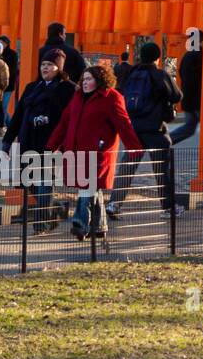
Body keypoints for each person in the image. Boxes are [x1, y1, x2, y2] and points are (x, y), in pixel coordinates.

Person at [47, 65, 144, 240]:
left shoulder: (112, 97)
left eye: (89, 79)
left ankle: (80, 223)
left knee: (87, 188)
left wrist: (134, 148)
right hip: (76, 152)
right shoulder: (77, 97)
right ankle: (100, 227)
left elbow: (124, 124)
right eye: (83, 79)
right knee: (91, 189)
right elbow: (64, 123)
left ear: (100, 80)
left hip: (98, 153)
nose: (85, 83)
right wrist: (51, 146)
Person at [108, 42, 183, 219]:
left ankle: (114, 203)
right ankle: (168, 207)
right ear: (158, 57)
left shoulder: (131, 73)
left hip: (133, 128)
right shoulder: (159, 74)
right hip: (155, 129)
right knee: (162, 169)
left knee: (127, 167)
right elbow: (176, 95)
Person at [3, 49, 76, 231]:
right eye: (43, 64)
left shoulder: (68, 88)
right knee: (22, 179)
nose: (45, 68)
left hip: (50, 143)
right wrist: (7, 141)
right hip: (27, 140)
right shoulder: (31, 87)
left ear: (58, 68)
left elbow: (68, 117)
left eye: (49, 65)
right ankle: (22, 213)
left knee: (44, 182)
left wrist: (47, 119)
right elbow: (18, 115)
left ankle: (41, 222)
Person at [172, 34, 202, 147]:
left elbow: (181, 74)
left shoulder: (186, 56)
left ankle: (166, 141)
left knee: (189, 127)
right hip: (199, 99)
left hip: (188, 98)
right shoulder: (201, 56)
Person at [0, 35, 18, 116]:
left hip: (8, 85)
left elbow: (13, 70)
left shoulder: (13, 54)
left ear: (6, 43)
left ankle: (10, 125)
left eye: (1, 42)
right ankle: (9, 125)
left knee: (3, 108)